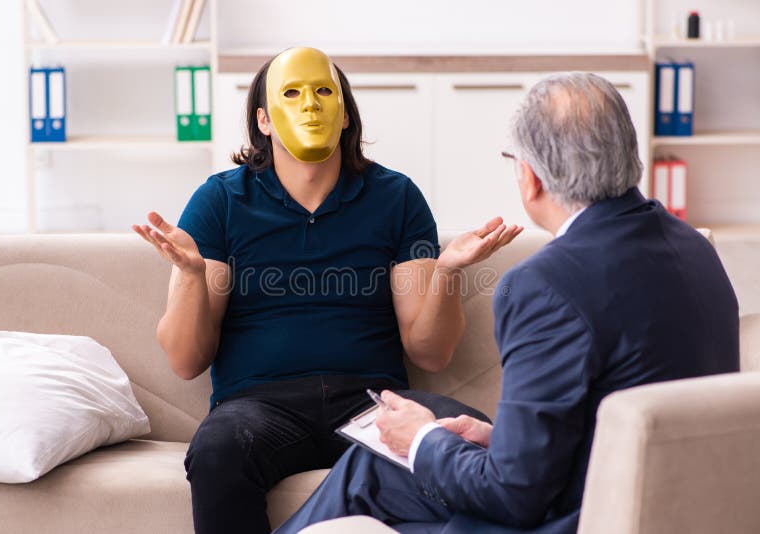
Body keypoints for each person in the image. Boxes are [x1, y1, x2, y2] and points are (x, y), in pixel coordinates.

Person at [274, 72, 740, 534]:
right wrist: (496, 440)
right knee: (370, 468)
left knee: (383, 465)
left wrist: (421, 436)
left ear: (530, 176)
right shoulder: (693, 246)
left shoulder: (545, 284)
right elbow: (616, 419)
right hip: (656, 505)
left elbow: (512, 496)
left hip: (568, 519)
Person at [132, 47, 522, 534]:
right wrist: (192, 276)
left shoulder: (396, 197)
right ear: (265, 120)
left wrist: (445, 272)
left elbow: (430, 354)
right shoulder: (219, 201)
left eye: (323, 92)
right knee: (217, 451)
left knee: (471, 441)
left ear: (343, 115)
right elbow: (187, 361)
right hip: (258, 409)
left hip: (372, 404)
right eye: (291, 94)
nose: (310, 105)